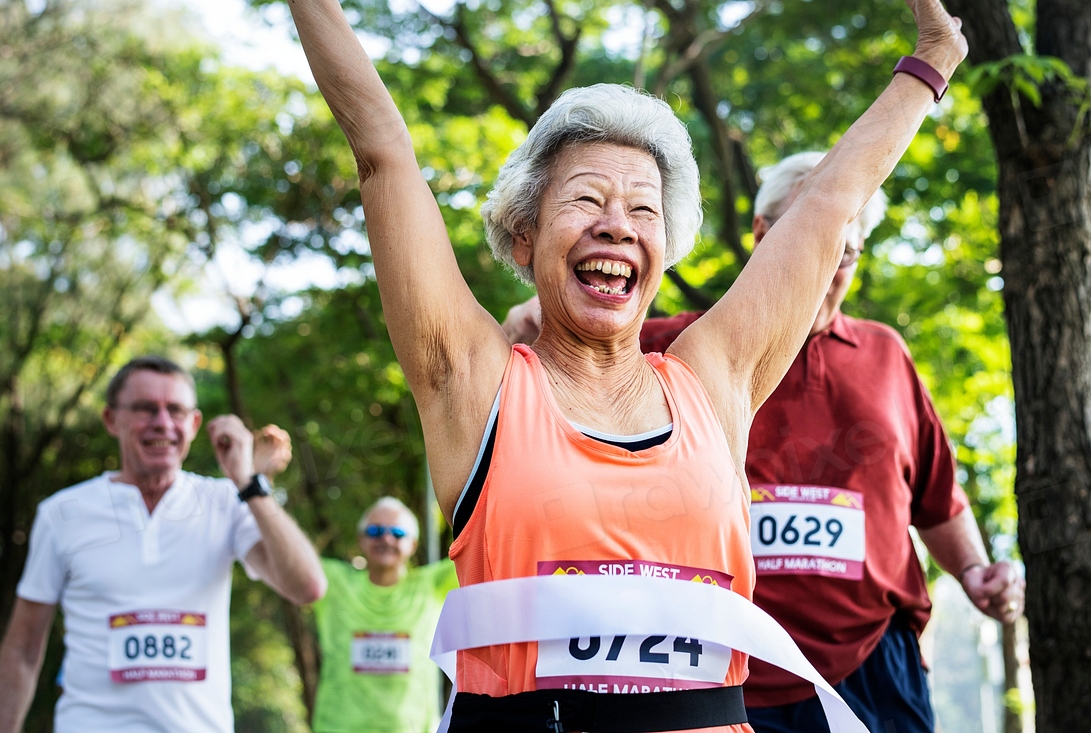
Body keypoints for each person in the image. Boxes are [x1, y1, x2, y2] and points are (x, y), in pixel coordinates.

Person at [285, 0, 968, 728]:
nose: (617, 222)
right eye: (585, 199)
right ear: (523, 237)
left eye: (644, 210)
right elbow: (382, 150)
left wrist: (931, 61)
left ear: (666, 248)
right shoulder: (475, 383)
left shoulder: (713, 380)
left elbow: (829, 205)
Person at [598, 151, 1022, 733]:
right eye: (808, 243)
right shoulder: (673, 346)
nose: (823, 268)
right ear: (762, 235)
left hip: (873, 665)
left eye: (842, 252)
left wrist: (975, 570)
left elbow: (937, 498)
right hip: (717, 665)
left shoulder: (886, 354)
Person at [0, 356, 326, 733]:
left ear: (194, 424)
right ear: (111, 419)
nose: (163, 423)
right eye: (144, 408)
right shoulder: (62, 513)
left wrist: (248, 481)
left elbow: (307, 587)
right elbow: (22, 650)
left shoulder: (226, 501)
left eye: (176, 410)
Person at [311, 496, 458, 733]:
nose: (386, 538)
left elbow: (483, 544)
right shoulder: (332, 581)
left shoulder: (433, 585)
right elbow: (291, 557)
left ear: (413, 543)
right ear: (361, 540)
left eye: (398, 532)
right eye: (376, 530)